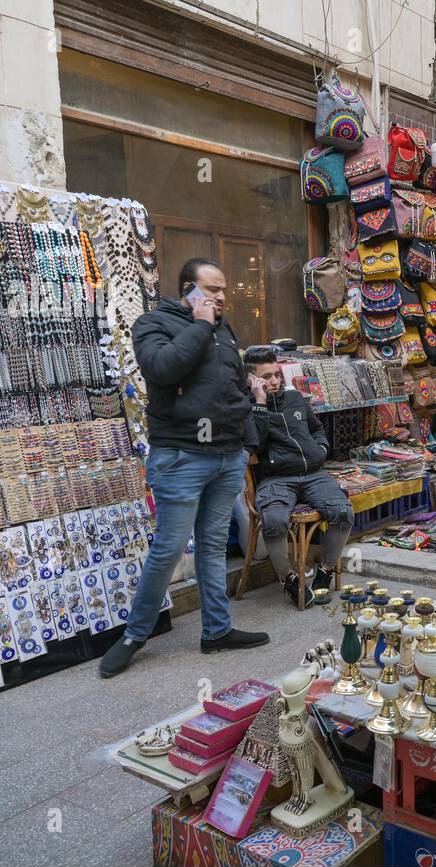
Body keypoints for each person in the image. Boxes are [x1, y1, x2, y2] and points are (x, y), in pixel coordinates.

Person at [100, 258, 269, 678]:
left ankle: (217, 630)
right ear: (189, 289)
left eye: (223, 289)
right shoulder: (153, 324)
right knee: (169, 548)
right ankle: (135, 635)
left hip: (226, 455)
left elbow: (233, 388)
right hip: (181, 456)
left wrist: (248, 441)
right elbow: (163, 368)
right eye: (212, 290)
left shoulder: (224, 329)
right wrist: (200, 323)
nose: (222, 297)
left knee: (212, 546)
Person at [245, 346, 355, 607]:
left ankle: (326, 570)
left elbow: (317, 429)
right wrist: (259, 403)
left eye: (276, 374)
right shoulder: (246, 408)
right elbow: (255, 445)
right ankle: (289, 579)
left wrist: (322, 449)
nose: (274, 381)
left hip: (313, 473)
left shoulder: (295, 399)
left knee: (343, 512)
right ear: (252, 380)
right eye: (266, 377)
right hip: (275, 478)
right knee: (274, 521)